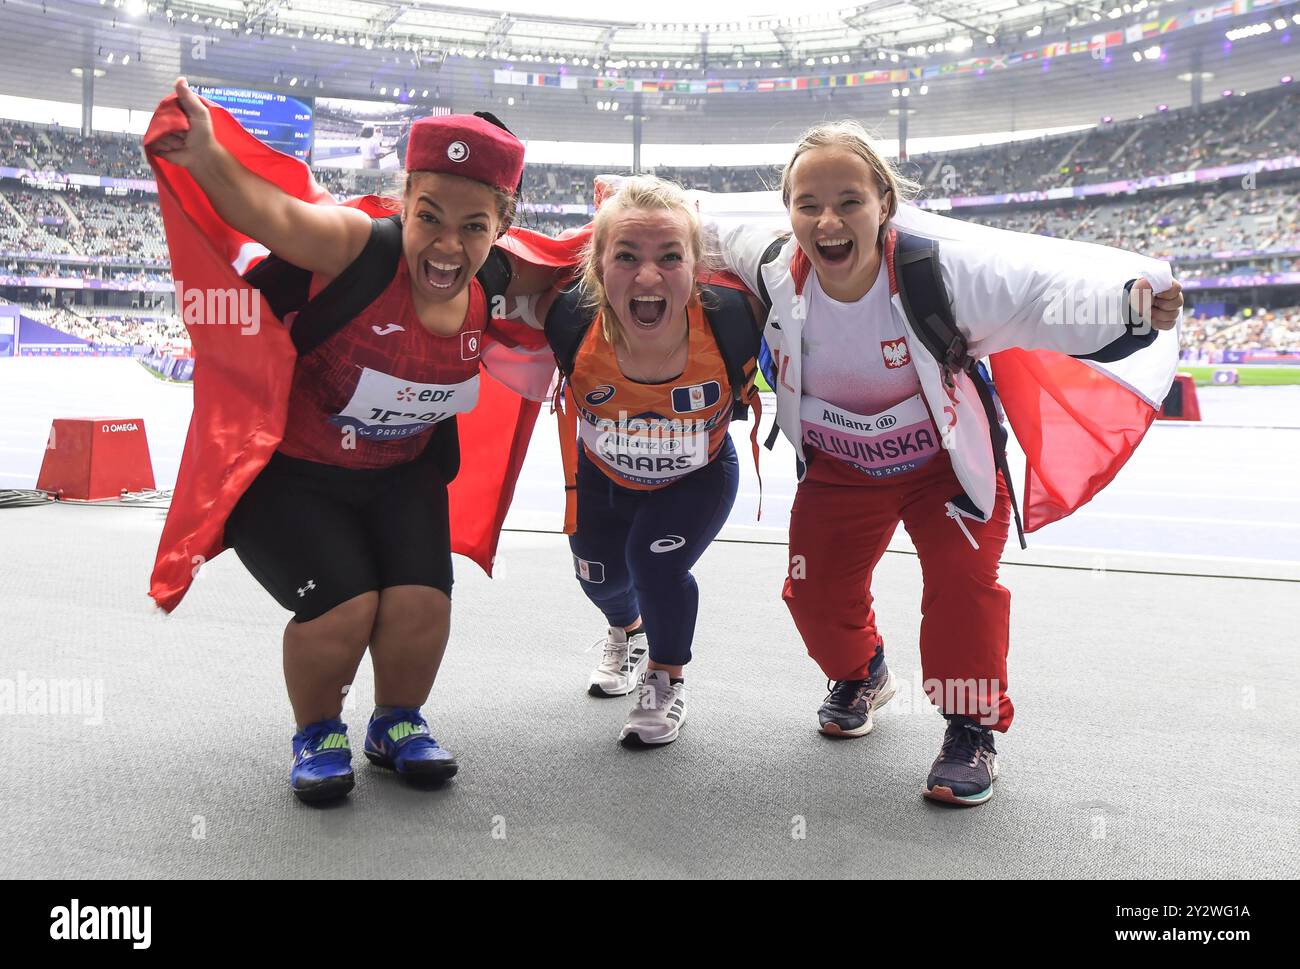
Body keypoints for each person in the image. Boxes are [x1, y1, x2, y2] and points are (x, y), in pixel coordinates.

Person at [714, 120, 1182, 805]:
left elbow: (1039, 295)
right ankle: (863, 672)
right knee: (812, 594)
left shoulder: (941, 272)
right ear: (787, 211)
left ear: (884, 204)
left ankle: (970, 729)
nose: (827, 219)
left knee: (964, 589)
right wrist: (623, 205)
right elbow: (706, 229)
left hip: (944, 468)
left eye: (849, 200)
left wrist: (1129, 307)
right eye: (807, 203)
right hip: (840, 470)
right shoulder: (771, 264)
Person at [147, 77, 555, 803]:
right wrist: (207, 154)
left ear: (502, 225)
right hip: (288, 475)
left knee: (420, 608)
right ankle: (318, 729)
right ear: (403, 201)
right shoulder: (357, 248)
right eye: (429, 216)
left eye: (473, 226)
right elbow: (272, 214)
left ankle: (395, 723)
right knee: (343, 607)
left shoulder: (498, 278)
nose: (447, 245)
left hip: (400, 475)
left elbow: (597, 270)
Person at [533, 176, 765, 745]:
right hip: (602, 479)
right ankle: (626, 630)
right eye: (627, 257)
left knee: (654, 565)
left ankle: (665, 679)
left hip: (697, 478)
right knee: (601, 576)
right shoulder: (565, 318)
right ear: (598, 266)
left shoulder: (739, 319)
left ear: (695, 265)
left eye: (669, 257)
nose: (647, 276)